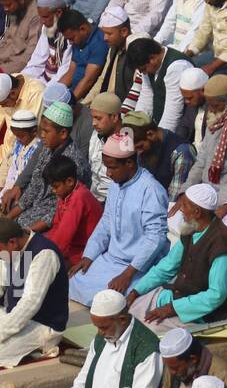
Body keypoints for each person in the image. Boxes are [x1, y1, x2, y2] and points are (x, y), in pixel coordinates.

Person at [66, 126, 169, 305]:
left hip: (139, 266)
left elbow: (155, 237)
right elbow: (106, 222)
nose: (108, 173)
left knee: (109, 299)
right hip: (112, 259)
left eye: (112, 168)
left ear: (129, 163)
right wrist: (88, 256)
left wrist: (128, 274)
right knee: (74, 281)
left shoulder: (151, 189)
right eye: (107, 167)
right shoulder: (116, 183)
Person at [125, 182, 227, 332]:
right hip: (179, 298)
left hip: (205, 315)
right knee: (129, 311)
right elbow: (167, 267)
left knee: (146, 330)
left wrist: (172, 308)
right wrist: (137, 291)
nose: (181, 209)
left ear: (197, 212)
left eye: (184, 206)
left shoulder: (222, 244)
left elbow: (216, 295)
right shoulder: (192, 230)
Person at [0, 216, 68, 368]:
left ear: (12, 242)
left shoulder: (44, 254)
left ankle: (36, 350)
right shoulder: (6, 250)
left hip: (42, 323)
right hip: (10, 315)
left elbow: (30, 302)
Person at [66, 289, 162, 388]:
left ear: (122, 319)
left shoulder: (147, 348)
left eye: (103, 327)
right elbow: (83, 379)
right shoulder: (102, 337)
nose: (99, 333)